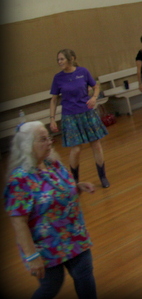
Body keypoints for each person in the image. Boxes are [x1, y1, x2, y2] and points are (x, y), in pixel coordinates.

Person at [5, 121, 98, 299]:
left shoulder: (53, 164)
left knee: (85, 277)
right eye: (43, 139)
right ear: (27, 146)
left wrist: (78, 187)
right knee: (51, 286)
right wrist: (32, 256)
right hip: (45, 245)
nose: (49, 142)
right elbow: (19, 223)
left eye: (49, 137)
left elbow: (58, 195)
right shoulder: (19, 180)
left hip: (74, 236)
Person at [49, 49, 109, 188]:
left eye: (62, 59)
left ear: (71, 59)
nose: (59, 62)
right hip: (70, 116)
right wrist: (52, 119)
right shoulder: (58, 78)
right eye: (58, 60)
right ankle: (74, 181)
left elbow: (96, 87)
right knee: (76, 149)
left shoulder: (83, 72)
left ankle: (103, 176)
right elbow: (54, 100)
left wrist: (94, 98)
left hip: (87, 113)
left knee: (96, 145)